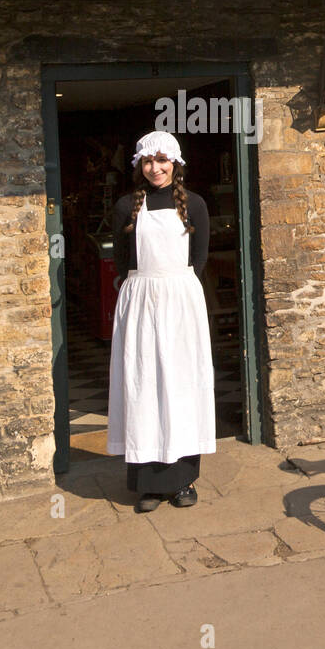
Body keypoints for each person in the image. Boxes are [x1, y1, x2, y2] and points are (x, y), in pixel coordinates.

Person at [107, 130, 215, 512]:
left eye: (163, 161)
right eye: (149, 162)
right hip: (141, 300)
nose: (156, 168)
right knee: (145, 386)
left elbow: (199, 259)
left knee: (182, 387)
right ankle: (148, 485)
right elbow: (123, 260)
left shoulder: (196, 205)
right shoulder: (126, 207)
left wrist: (177, 292)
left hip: (181, 302)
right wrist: (144, 290)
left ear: (175, 163)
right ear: (140, 166)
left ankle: (183, 480)